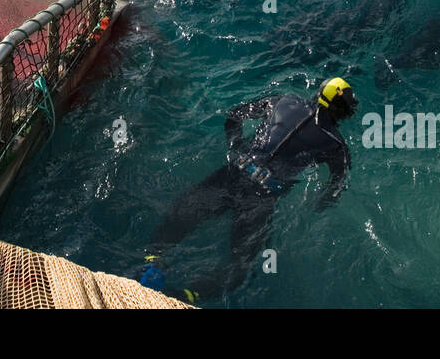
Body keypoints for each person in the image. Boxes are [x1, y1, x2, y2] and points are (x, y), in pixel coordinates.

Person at [141, 77, 357, 301]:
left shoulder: (284, 100)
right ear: (343, 112)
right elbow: (336, 186)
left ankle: (153, 263)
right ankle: (185, 297)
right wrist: (319, 204)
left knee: (179, 215)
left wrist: (234, 145)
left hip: (236, 171)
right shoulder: (335, 144)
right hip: (262, 195)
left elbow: (234, 115)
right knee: (239, 269)